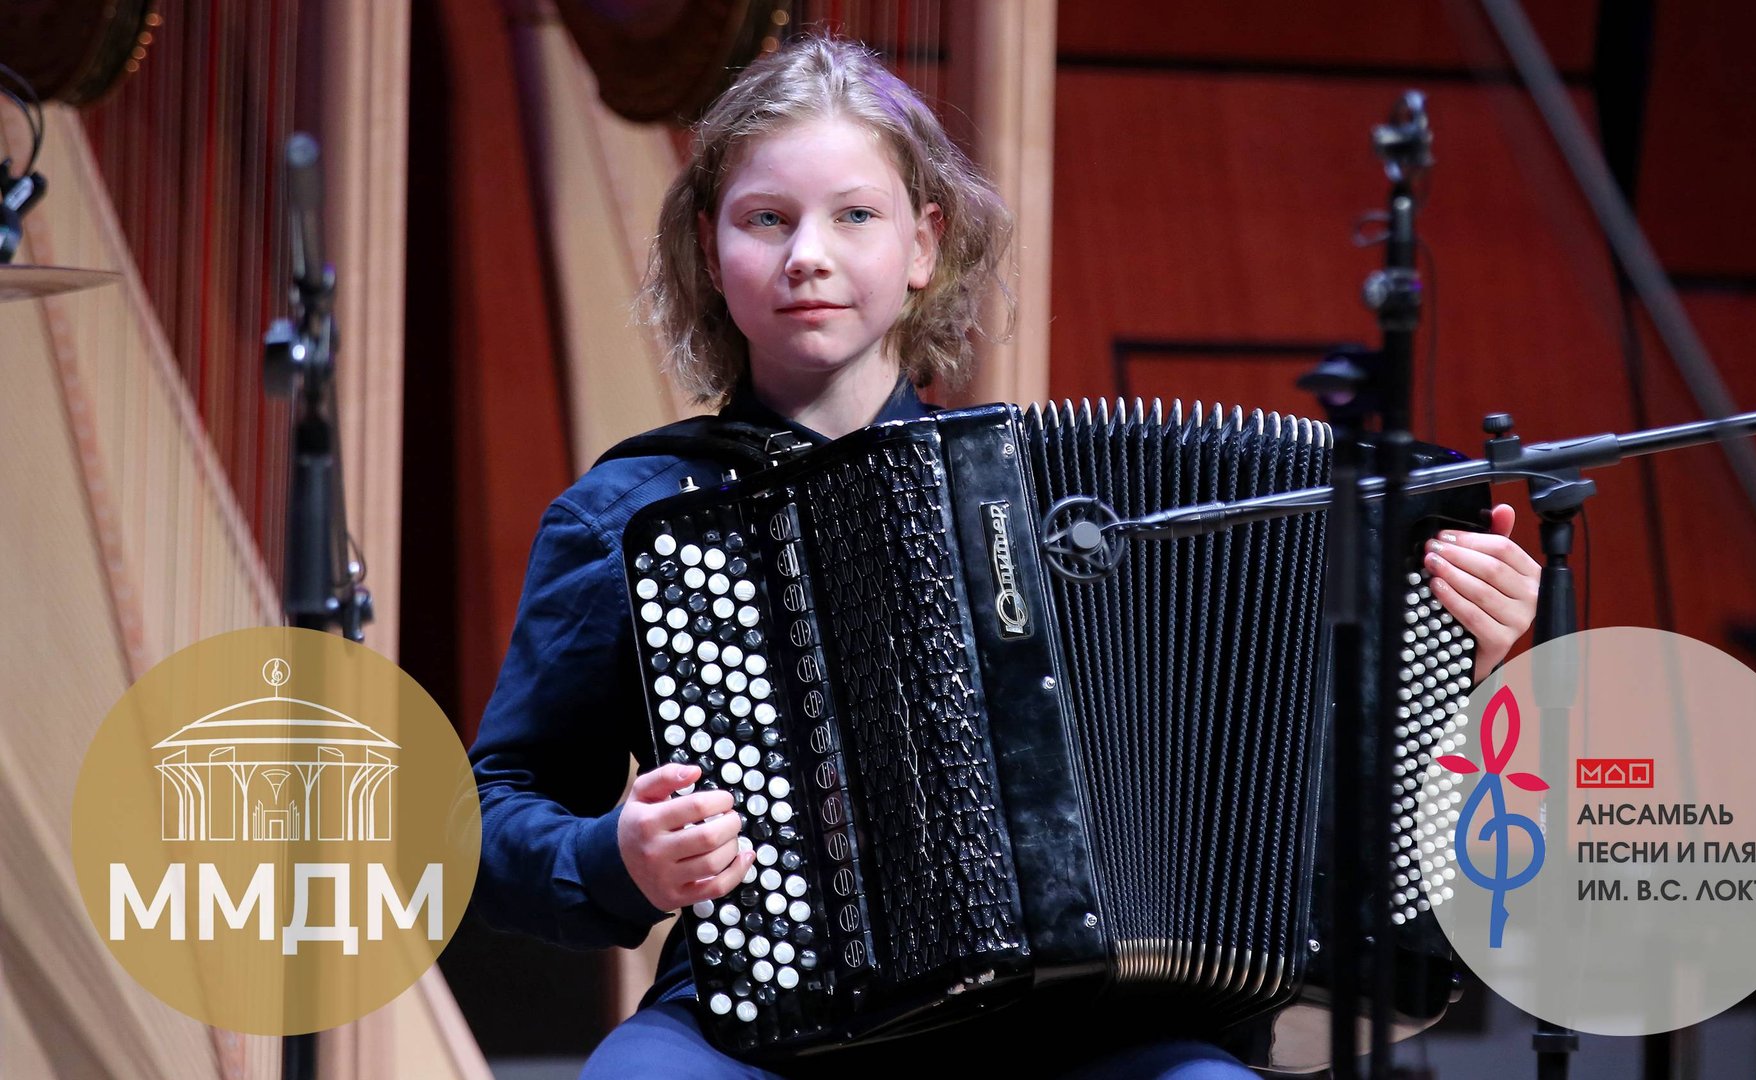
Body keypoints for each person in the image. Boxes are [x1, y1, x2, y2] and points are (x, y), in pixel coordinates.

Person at [466, 36, 1543, 1079]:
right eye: (766, 218)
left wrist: (1456, 654)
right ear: (711, 248)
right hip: (769, 1023)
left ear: (924, 246)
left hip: (1071, 1026)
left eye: (855, 215)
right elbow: (493, 811)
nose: (808, 254)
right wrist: (618, 858)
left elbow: (1295, 748)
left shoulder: (1043, 497)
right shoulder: (633, 512)